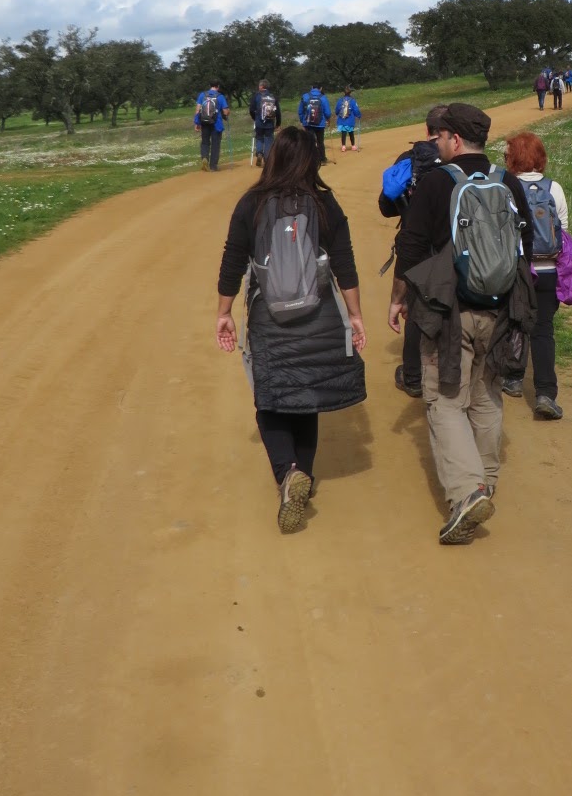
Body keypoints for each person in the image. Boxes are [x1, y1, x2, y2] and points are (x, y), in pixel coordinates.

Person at [388, 103, 535, 545]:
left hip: (449, 311)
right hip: (502, 308)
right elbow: (524, 244)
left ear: (453, 138)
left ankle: (467, 491)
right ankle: (486, 482)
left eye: (441, 137)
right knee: (487, 396)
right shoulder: (506, 182)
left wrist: (398, 300)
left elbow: (409, 248)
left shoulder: (435, 183)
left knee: (446, 400)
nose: (437, 143)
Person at [215, 128, 367, 533]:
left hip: (268, 314)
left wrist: (224, 312)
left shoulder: (252, 203)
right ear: (312, 161)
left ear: (273, 158)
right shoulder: (324, 203)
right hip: (318, 312)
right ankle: (304, 475)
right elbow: (344, 263)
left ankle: (288, 474)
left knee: (271, 395)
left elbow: (233, 260)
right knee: (308, 391)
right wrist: (355, 316)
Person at [378, 105, 448, 399]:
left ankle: (412, 377)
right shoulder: (454, 161)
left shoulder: (408, 159)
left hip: (413, 247)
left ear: (426, 129)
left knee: (415, 312)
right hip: (447, 247)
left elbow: (385, 207)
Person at [500, 132, 568, 420]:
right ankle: (544, 393)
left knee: (514, 322)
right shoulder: (555, 189)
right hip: (548, 269)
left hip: (517, 269)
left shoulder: (505, 186)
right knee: (543, 330)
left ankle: (513, 379)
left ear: (513, 157)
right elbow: (563, 231)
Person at [194, 81, 229, 171]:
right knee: (215, 144)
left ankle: (205, 157)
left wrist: (196, 123)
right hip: (216, 124)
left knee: (205, 142)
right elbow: (225, 111)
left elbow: (198, 110)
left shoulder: (202, 95)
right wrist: (226, 114)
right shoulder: (220, 96)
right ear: (218, 86)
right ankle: (213, 166)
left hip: (204, 122)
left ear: (210, 86)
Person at [297, 83, 332, 166]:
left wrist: (302, 121)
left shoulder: (305, 96)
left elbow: (300, 111)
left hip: (308, 123)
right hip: (320, 124)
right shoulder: (323, 97)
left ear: (312, 87)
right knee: (320, 141)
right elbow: (328, 112)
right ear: (320, 88)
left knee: (310, 141)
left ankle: (309, 160)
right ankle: (322, 159)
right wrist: (328, 119)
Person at [250, 80, 281, 166]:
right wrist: (278, 123)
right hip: (270, 123)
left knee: (259, 138)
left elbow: (251, 109)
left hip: (259, 122)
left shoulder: (256, 96)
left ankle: (259, 153)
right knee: (269, 140)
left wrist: (254, 118)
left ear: (261, 87)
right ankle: (267, 159)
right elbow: (278, 112)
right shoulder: (273, 96)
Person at [335, 87, 362, 153]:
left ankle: (343, 146)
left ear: (344, 93)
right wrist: (358, 115)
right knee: (351, 133)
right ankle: (353, 146)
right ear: (350, 93)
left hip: (342, 120)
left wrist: (337, 113)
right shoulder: (352, 100)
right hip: (350, 120)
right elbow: (356, 110)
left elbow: (337, 109)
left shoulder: (340, 100)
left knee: (343, 133)